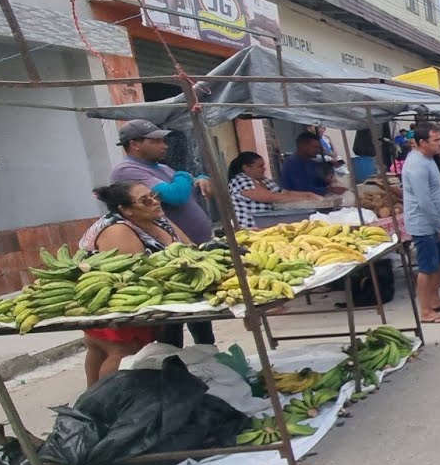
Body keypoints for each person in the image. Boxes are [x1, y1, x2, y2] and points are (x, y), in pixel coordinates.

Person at [110, 119, 215, 347]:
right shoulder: (126, 170)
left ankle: (207, 356)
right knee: (171, 320)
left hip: (189, 248)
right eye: (156, 141)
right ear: (135, 144)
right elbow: (175, 194)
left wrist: (199, 179)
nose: (164, 145)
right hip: (166, 253)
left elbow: (187, 190)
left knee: (201, 314)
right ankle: (172, 361)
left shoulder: (163, 168)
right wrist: (185, 174)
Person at [79, 182, 192, 387]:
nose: (155, 201)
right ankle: (104, 399)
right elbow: (136, 273)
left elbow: (190, 247)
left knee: (101, 351)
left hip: (149, 296)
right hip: (117, 300)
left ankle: (93, 401)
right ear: (126, 209)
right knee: (121, 351)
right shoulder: (117, 230)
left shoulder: (157, 219)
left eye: (155, 195)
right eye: (145, 200)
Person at [403, 124, 440, 324]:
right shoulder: (417, 165)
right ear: (422, 142)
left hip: (435, 223)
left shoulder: (429, 160)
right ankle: (425, 311)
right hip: (424, 225)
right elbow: (424, 200)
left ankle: (434, 299)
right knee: (427, 268)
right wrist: (438, 226)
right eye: (436, 140)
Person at [227, 152, 321, 229]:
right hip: (249, 228)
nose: (264, 169)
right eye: (260, 166)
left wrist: (308, 195)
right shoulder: (240, 181)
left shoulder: (264, 180)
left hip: (266, 226)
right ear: (246, 168)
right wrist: (305, 198)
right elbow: (271, 197)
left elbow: (283, 193)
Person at [282, 132, 346, 196]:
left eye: (319, 147)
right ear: (303, 147)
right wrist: (329, 190)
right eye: (315, 147)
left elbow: (315, 182)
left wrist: (327, 181)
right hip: (299, 200)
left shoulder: (310, 162)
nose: (318, 150)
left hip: (314, 198)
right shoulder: (293, 163)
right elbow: (302, 189)